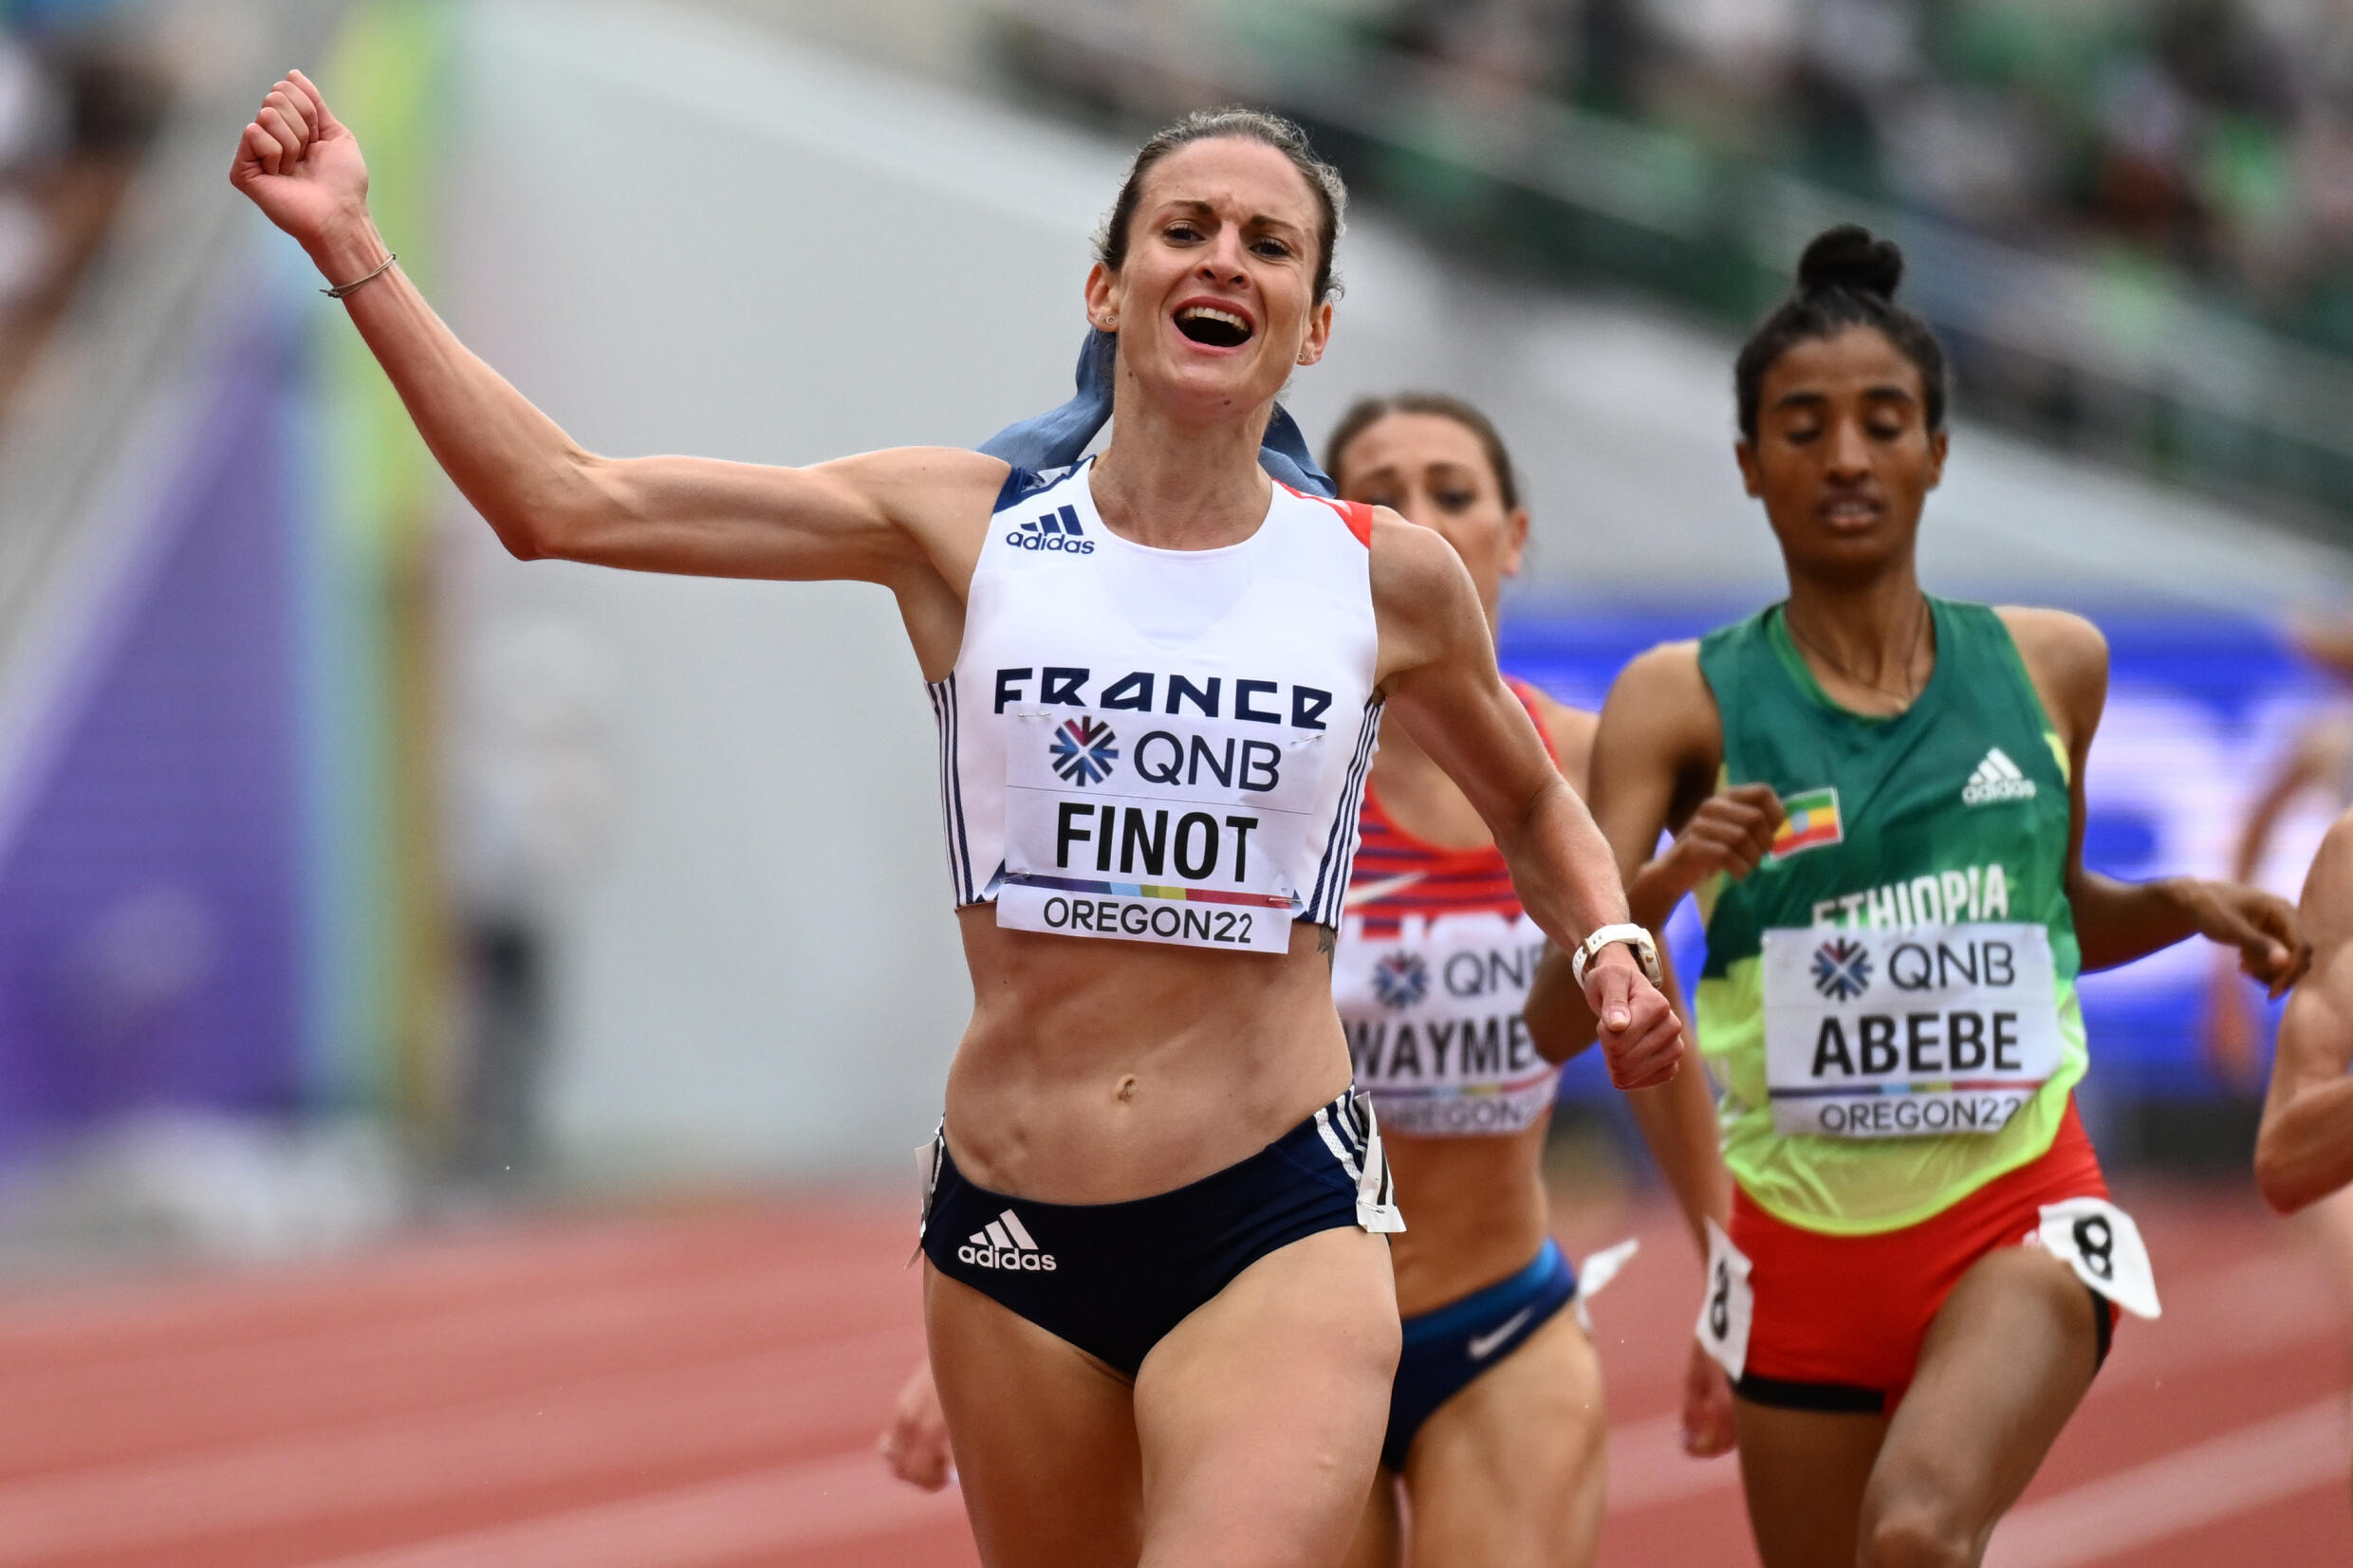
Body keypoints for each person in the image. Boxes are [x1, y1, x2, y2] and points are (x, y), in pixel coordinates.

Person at [233, 79, 1684, 1568]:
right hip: (1014, 1229)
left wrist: (1617, 936)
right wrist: (353, 244)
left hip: (1276, 1216)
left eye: (1268, 244)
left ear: (1312, 326)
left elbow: (1531, 804)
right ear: (1108, 287)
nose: (1223, 261)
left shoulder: (1384, 578)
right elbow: (564, 499)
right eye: (1184, 230)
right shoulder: (960, 528)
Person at [1531, 224, 2308, 1568]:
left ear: (1936, 453)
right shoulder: (1680, 697)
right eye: (1804, 426)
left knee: (1918, 1535)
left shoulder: (2054, 664)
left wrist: (2181, 902)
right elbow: (1555, 1019)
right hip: (1798, 1258)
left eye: (1883, 423)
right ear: (1748, 464)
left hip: (2020, 1209)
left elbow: (2059, 916)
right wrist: (1663, 883)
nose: (1844, 457)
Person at [880, 395, 1739, 1564]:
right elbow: (1091, 1020)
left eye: (1455, 491)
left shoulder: (1576, 767)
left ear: (1511, 532)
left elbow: (1637, 1022)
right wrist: (1004, 1317)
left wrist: (1726, 1267)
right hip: (1255, 1305)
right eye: (1388, 489)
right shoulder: (1273, 761)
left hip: (1491, 1320)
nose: (1425, 516)